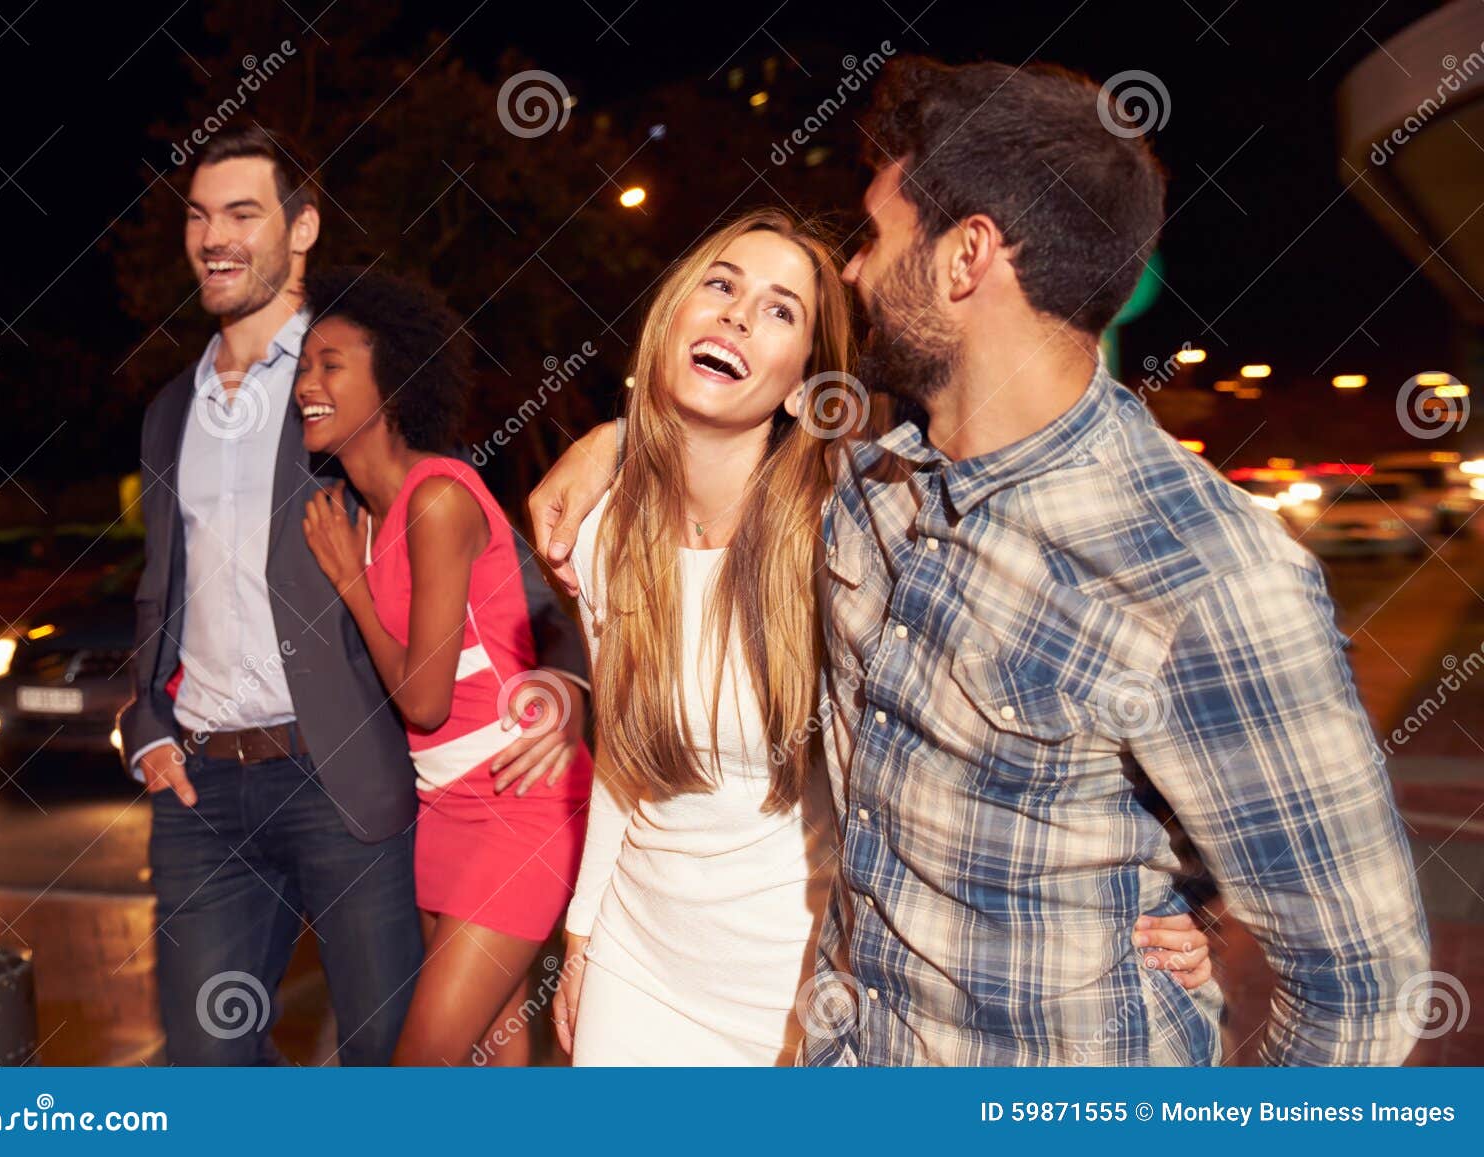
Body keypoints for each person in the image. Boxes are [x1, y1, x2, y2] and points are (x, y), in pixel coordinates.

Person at [531, 58, 1429, 1066]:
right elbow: (717, 471)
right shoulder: (875, 495)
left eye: (875, 237)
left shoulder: (1203, 573)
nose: (858, 275)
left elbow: (1361, 982)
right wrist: (611, 442)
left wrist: (1198, 897)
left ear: (963, 259)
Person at [546, 209, 1211, 1067]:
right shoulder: (604, 534)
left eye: (780, 310)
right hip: (637, 970)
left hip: (809, 997)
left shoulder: (850, 535)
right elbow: (622, 771)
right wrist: (583, 933)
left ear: (802, 383)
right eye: (721, 285)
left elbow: (1055, 705)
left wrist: (1176, 889)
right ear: (673, 315)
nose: (738, 315)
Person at [119, 123, 588, 1066]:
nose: (214, 237)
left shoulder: (346, 378)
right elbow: (159, 587)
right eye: (199, 216)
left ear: (301, 231)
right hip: (202, 787)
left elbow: (529, 589)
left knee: (395, 1056)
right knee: (207, 1063)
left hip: (343, 780)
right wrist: (146, 718)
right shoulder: (171, 410)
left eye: (242, 213)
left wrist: (571, 688)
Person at [295, 267, 594, 1066]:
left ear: (392, 379)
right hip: (445, 812)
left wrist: (355, 588)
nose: (307, 384)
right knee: (493, 1055)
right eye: (303, 365)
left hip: (518, 806)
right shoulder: (363, 518)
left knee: (420, 1068)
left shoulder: (436, 498)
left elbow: (424, 699)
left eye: (332, 364)